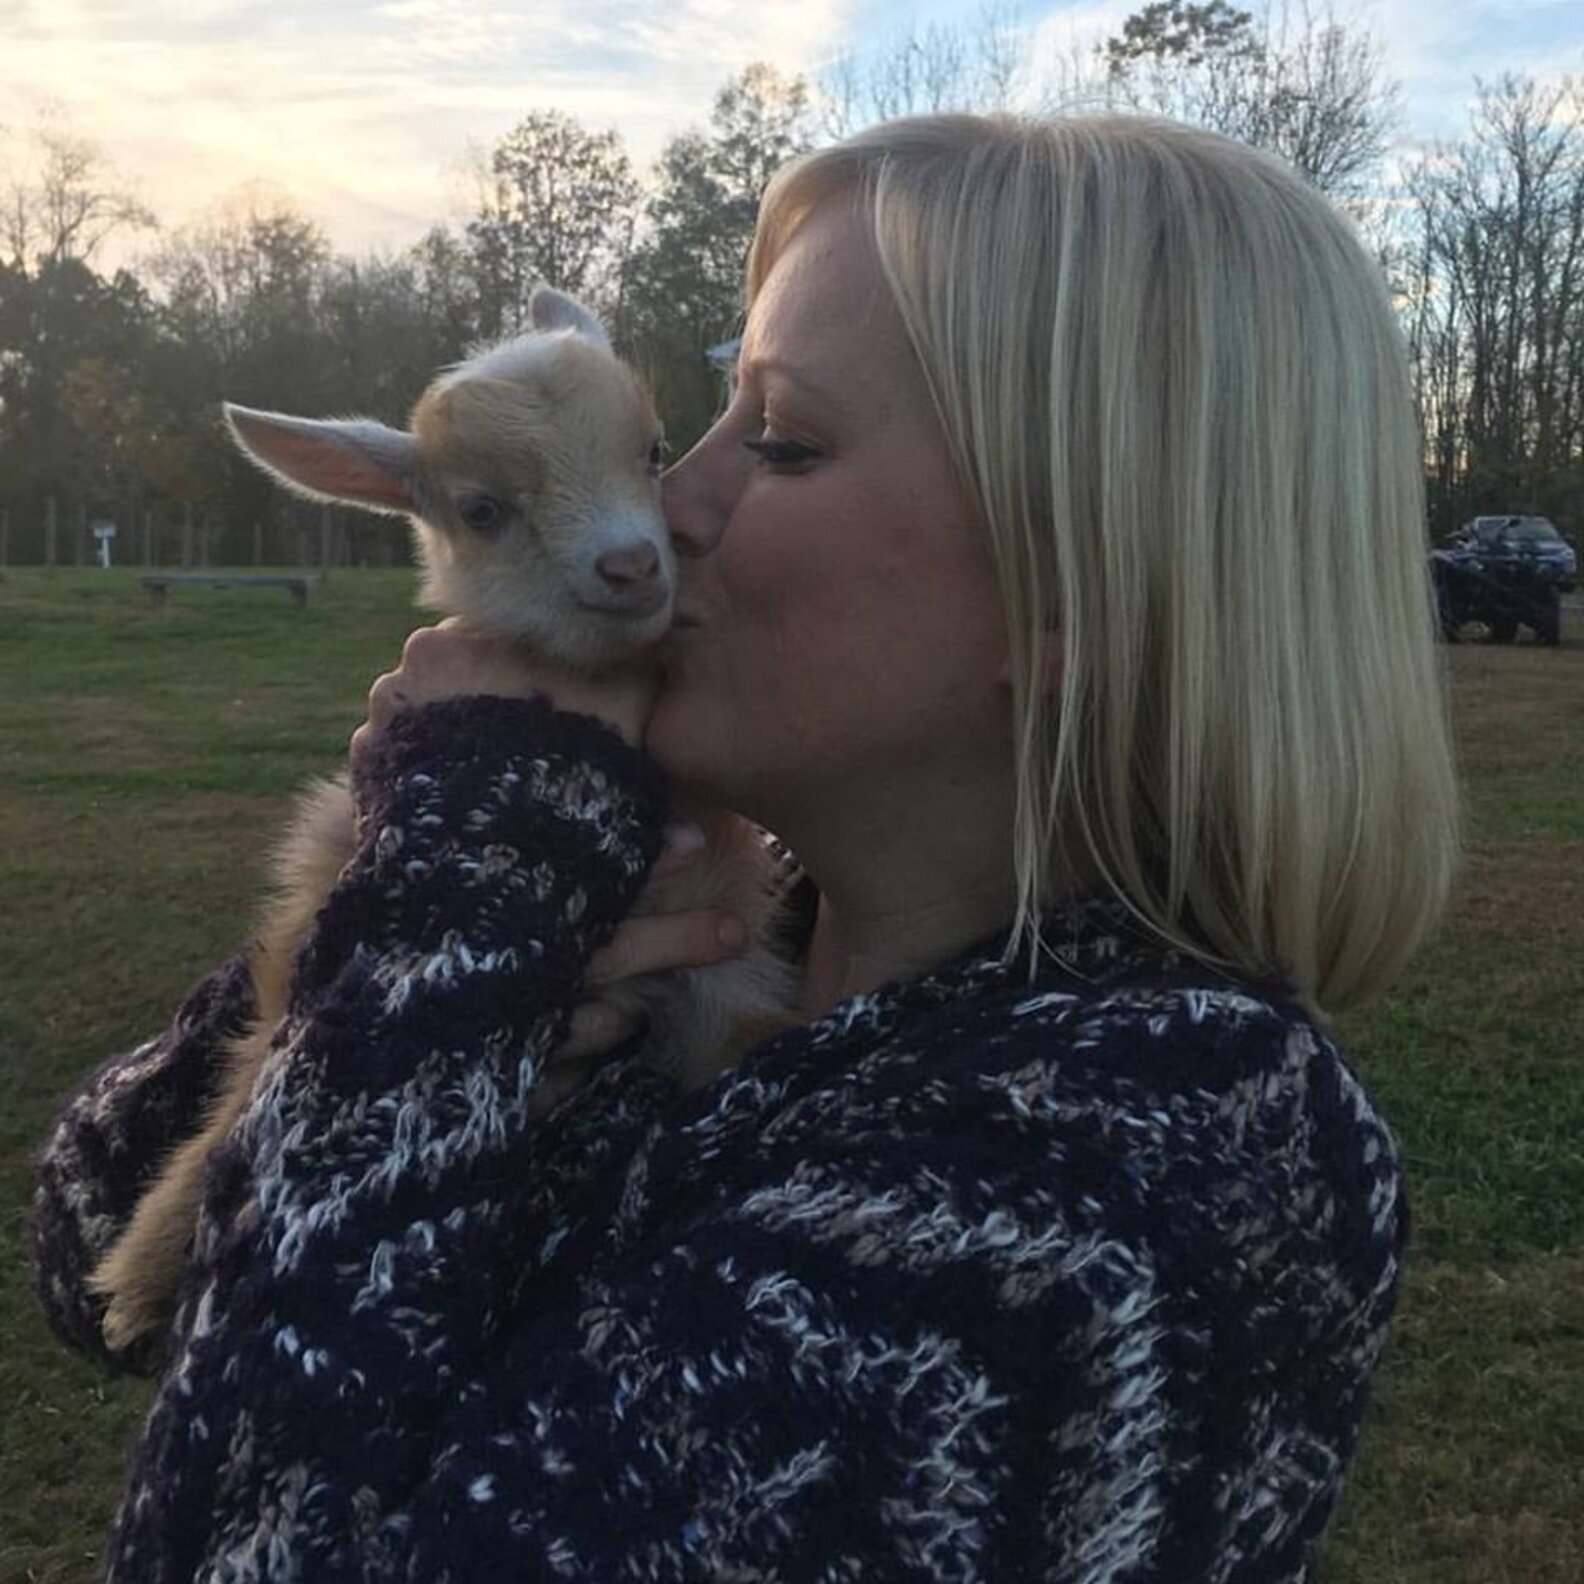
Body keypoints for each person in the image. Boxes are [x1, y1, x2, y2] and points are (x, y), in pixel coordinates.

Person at [30, 111, 1458, 1582]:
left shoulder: (1141, 1165)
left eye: (780, 441)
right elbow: (96, 1241)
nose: (671, 506)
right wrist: (424, 943)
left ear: (1075, 592)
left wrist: (439, 944)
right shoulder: (707, 920)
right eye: (695, 429)